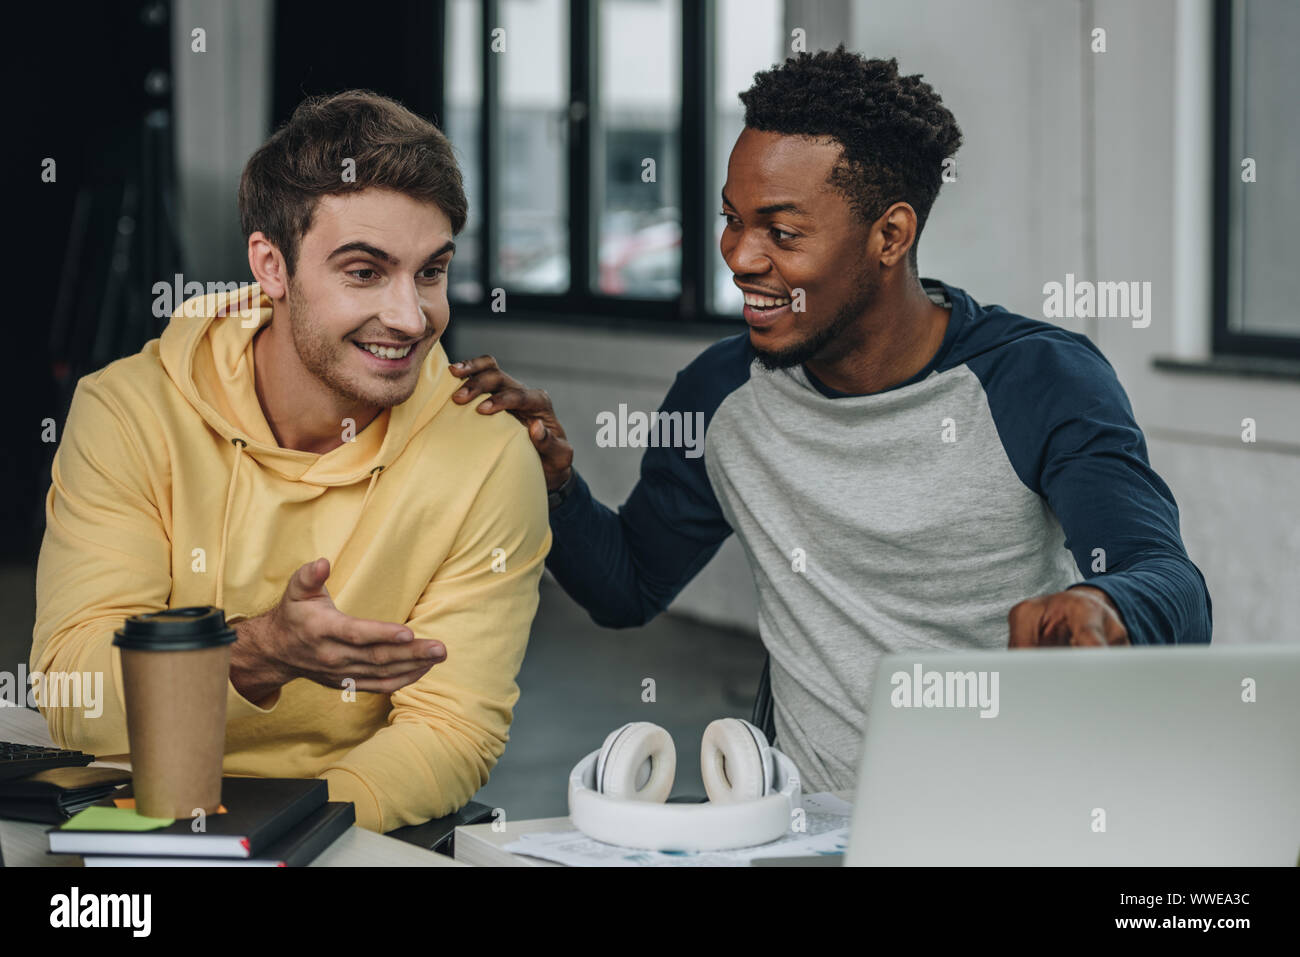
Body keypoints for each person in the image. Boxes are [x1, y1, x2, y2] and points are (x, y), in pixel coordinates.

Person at [449, 49, 1213, 794]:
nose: (740, 256)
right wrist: (555, 484)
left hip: (1015, 822)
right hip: (812, 833)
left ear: (891, 235)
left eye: (782, 232)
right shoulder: (719, 393)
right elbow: (629, 586)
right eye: (731, 219)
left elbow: (1172, 582)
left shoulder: (1040, 380)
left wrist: (1107, 605)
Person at [31, 90, 550, 832]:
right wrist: (256, 651)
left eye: (430, 272)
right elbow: (75, 695)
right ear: (270, 267)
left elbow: (450, 731)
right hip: (137, 813)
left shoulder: (489, 453)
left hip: (339, 826)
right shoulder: (127, 412)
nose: (411, 317)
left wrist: (281, 840)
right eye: (365, 272)